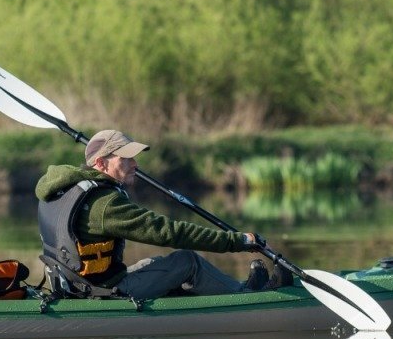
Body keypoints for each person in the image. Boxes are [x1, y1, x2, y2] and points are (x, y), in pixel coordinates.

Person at [35, 128, 277, 299]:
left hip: (74, 285)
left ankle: (229, 290)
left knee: (152, 263)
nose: (135, 164)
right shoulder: (104, 204)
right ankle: (248, 298)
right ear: (101, 163)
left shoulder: (62, 190)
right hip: (99, 292)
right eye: (126, 158)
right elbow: (169, 233)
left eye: (134, 157)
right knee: (187, 262)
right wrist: (237, 241)